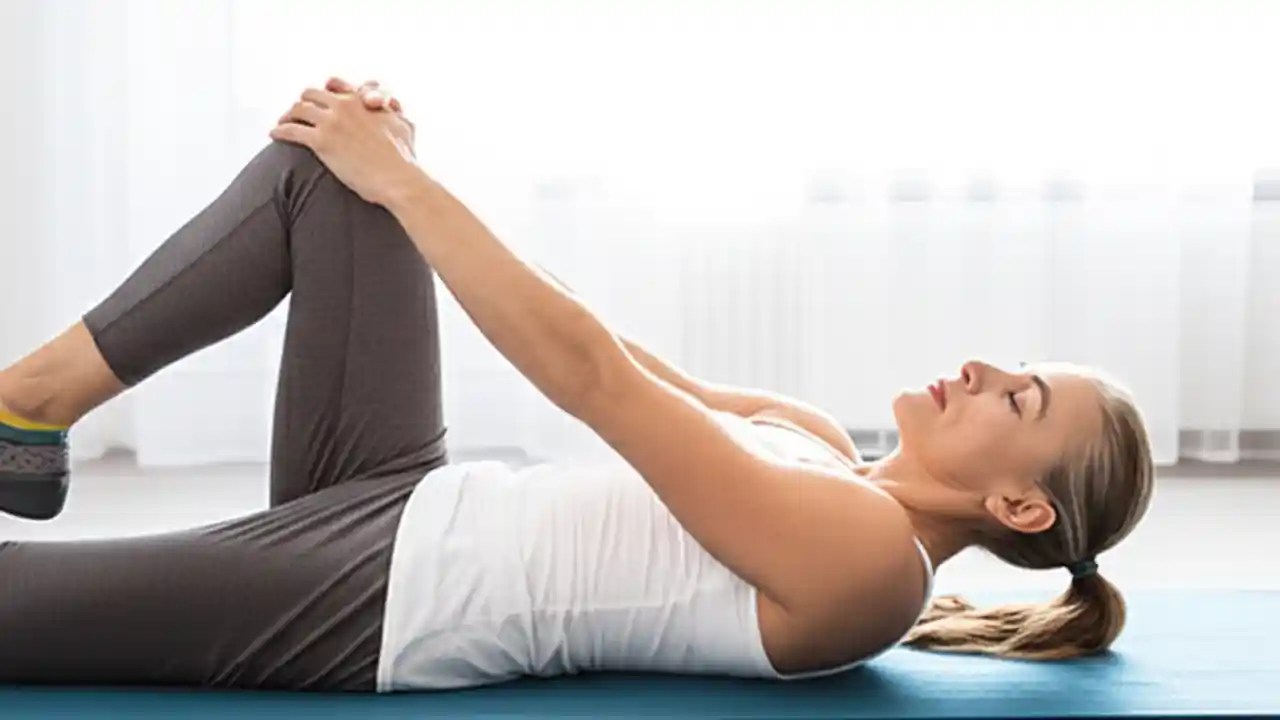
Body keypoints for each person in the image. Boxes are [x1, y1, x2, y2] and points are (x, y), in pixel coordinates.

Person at [0, 76, 1155, 692]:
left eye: (1017, 400)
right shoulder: (812, 442)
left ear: (1017, 507)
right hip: (407, 494)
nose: (983, 370)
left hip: (380, 602)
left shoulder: (869, 568)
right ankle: (31, 409)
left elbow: (592, 382)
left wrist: (411, 188)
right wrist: (406, 175)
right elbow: (611, 343)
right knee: (327, 165)